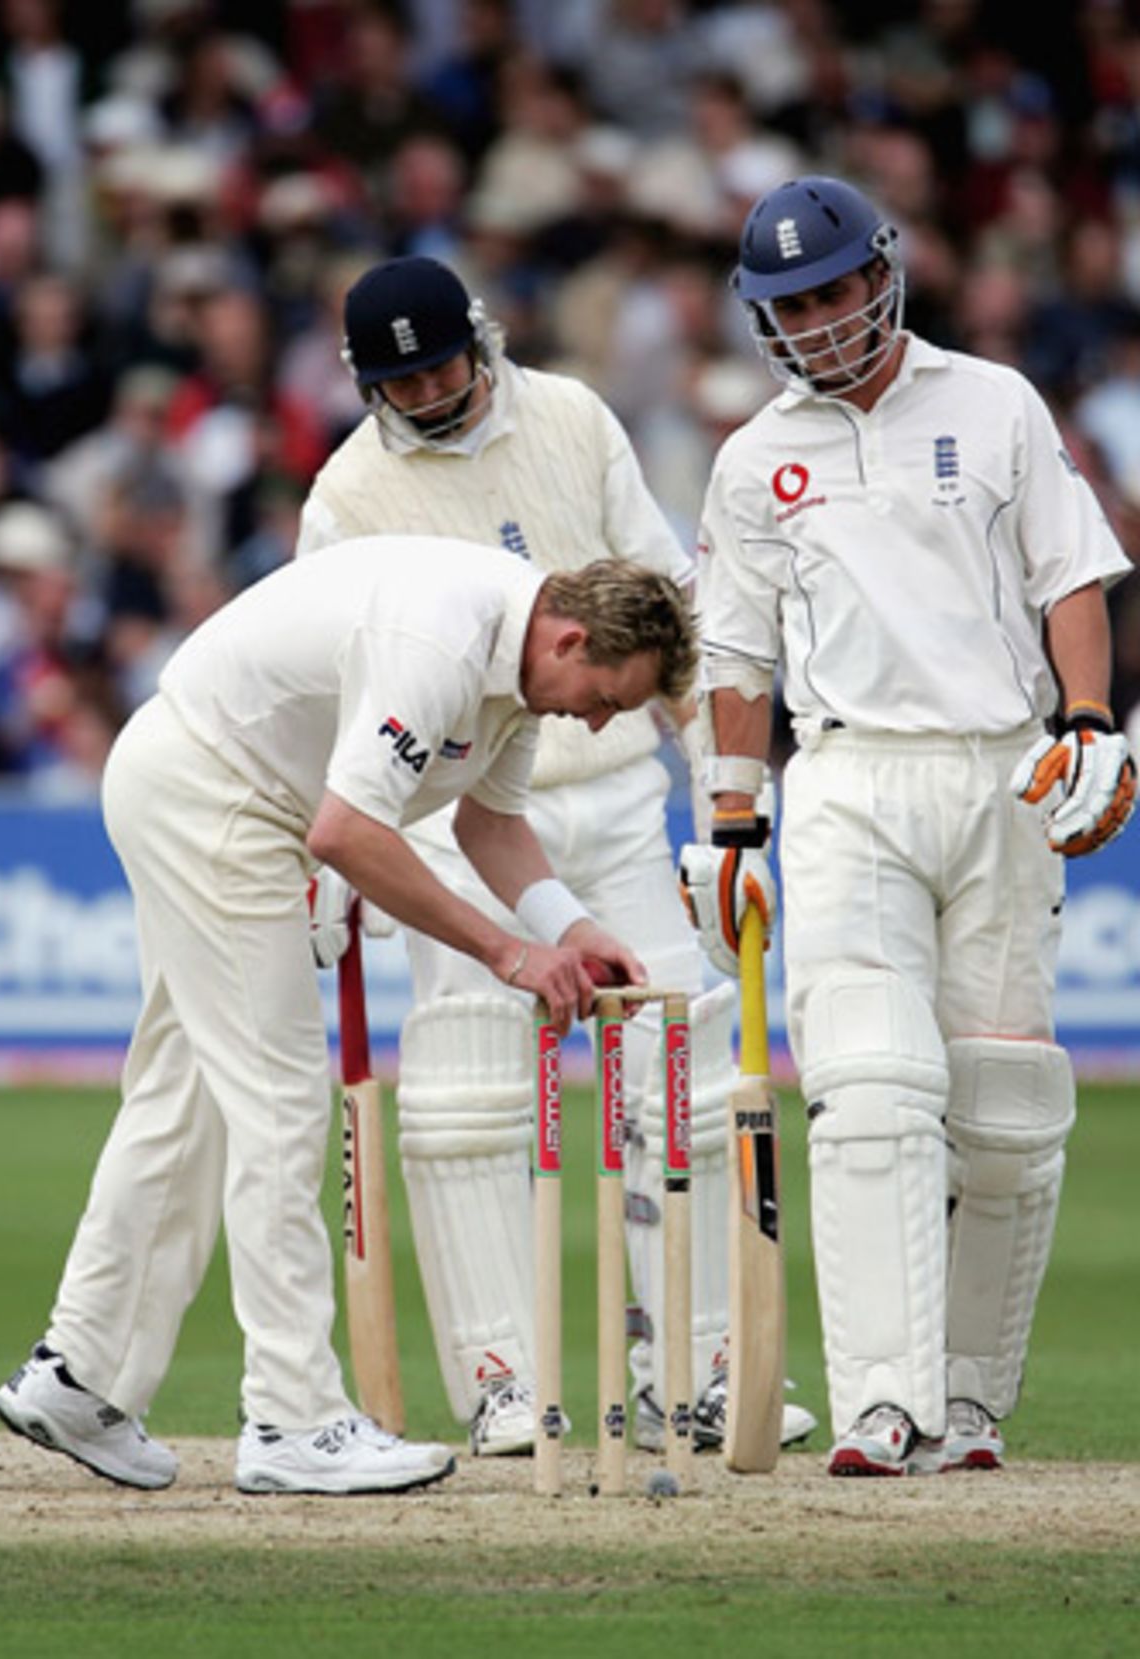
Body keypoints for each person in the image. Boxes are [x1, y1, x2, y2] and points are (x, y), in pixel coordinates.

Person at [0, 536, 697, 1496]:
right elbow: (347, 831)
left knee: (186, 1096)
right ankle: (292, 1417)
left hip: (206, 790)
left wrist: (570, 928)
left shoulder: (523, 674)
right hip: (216, 799)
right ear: (571, 640)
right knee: (279, 1105)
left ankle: (79, 1374)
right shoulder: (443, 640)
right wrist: (506, 953)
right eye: (606, 696)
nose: (596, 718)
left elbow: (488, 824)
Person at [296, 254, 817, 1457]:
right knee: (472, 1102)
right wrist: (336, 858)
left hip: (614, 793)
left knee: (672, 1078)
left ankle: (690, 1368)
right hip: (450, 816)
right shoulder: (345, 493)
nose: (427, 393)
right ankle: (505, 1379)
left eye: (441, 367)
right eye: (401, 379)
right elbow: (335, 681)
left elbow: (671, 610)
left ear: (479, 341)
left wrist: (728, 799)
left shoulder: (573, 419)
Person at [681, 175, 1136, 1476]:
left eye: (831, 290)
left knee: (1001, 1109)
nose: (818, 322)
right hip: (845, 781)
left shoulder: (993, 403)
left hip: (1002, 769)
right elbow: (735, 653)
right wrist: (730, 821)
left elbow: (1072, 577)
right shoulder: (749, 456)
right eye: (789, 305)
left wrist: (1090, 723)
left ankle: (974, 1402)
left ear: (882, 272)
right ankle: (887, 1402)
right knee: (873, 1092)